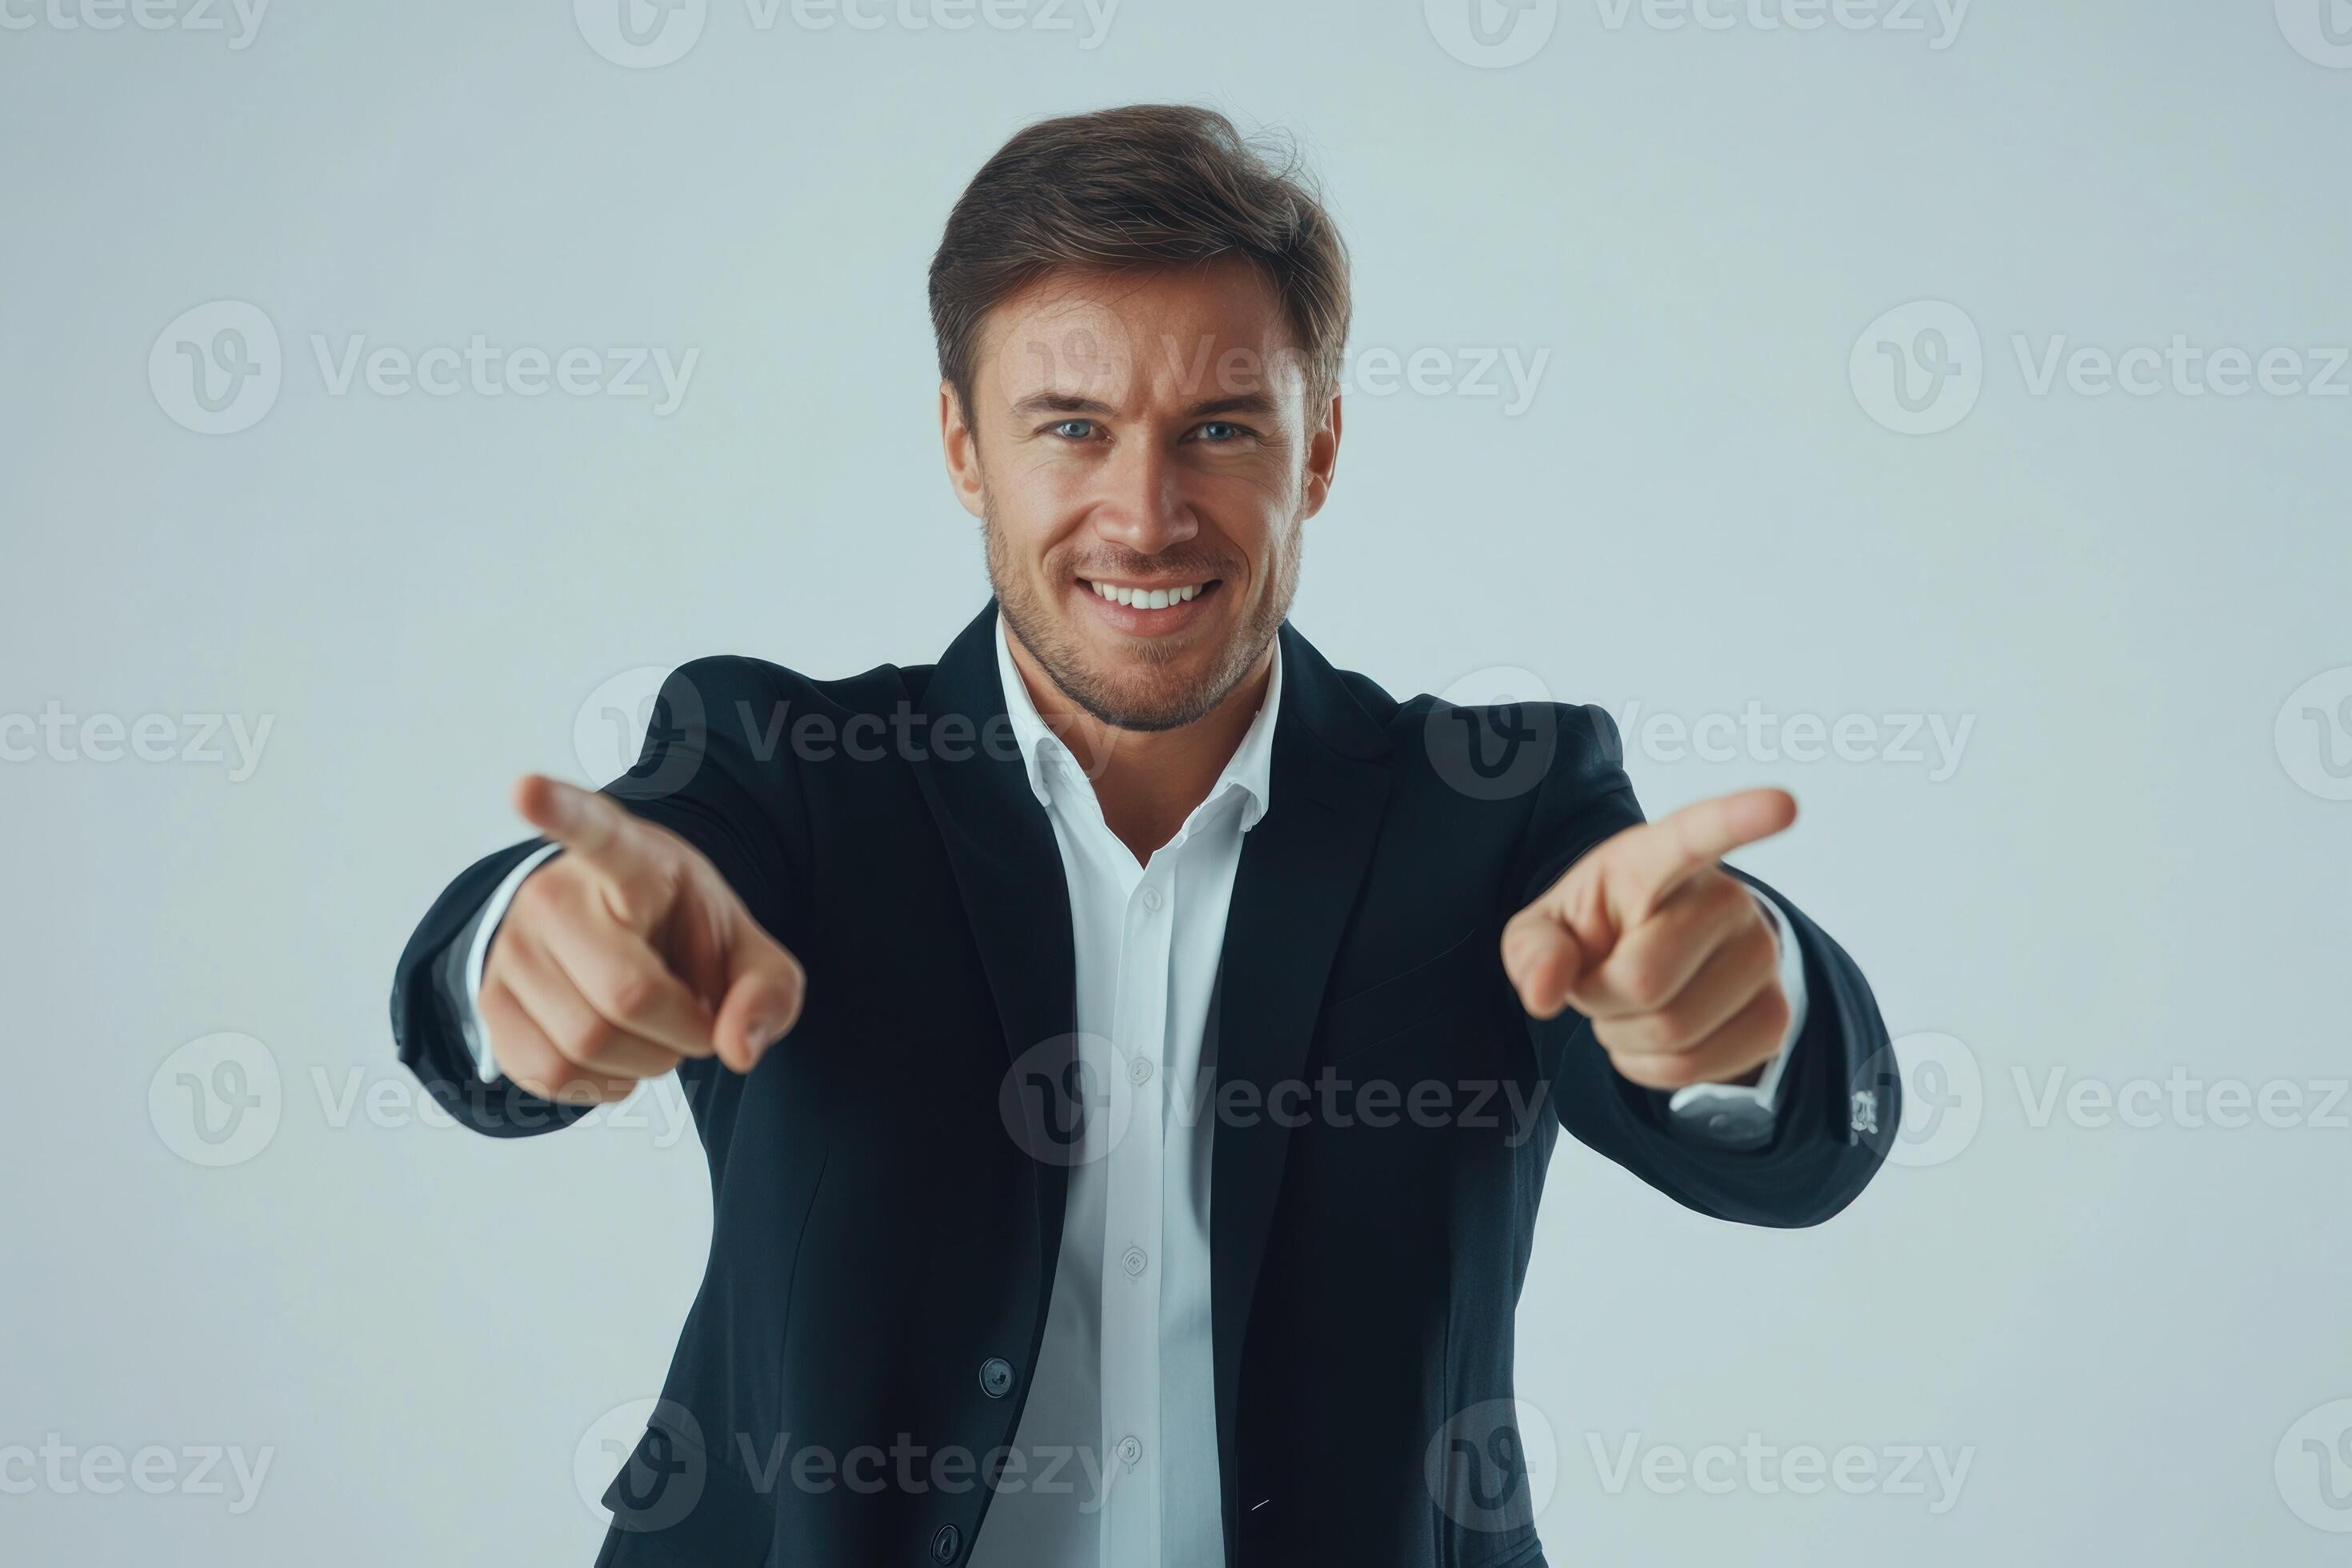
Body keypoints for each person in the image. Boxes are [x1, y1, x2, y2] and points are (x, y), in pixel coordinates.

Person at [390, 102, 1897, 1568]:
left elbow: (1782, 1138)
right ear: (964, 448)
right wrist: (534, 949)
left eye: (1221, 429)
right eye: (1072, 428)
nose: (1146, 515)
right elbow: (581, 930)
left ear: (1318, 452)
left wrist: (1733, 1009)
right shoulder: (784, 771)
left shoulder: (1494, 812)